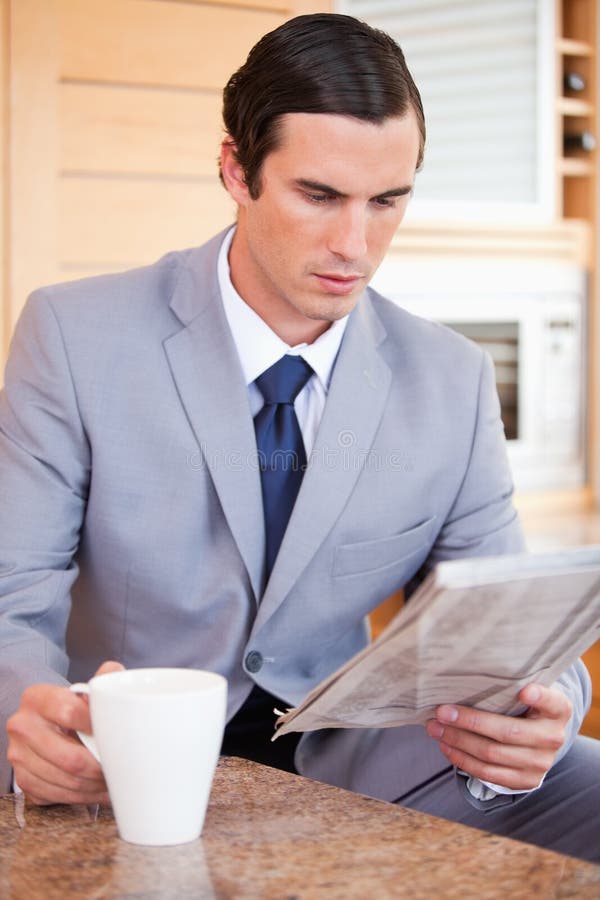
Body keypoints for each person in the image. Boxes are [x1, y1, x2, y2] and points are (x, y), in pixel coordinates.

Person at [1, 12, 598, 862]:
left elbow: (506, 622)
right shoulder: (73, 336)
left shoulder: (451, 379)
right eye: (318, 196)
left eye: (387, 201)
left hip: (359, 766)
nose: (354, 246)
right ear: (235, 170)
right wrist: (26, 716)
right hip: (123, 770)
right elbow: (9, 598)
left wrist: (550, 703)